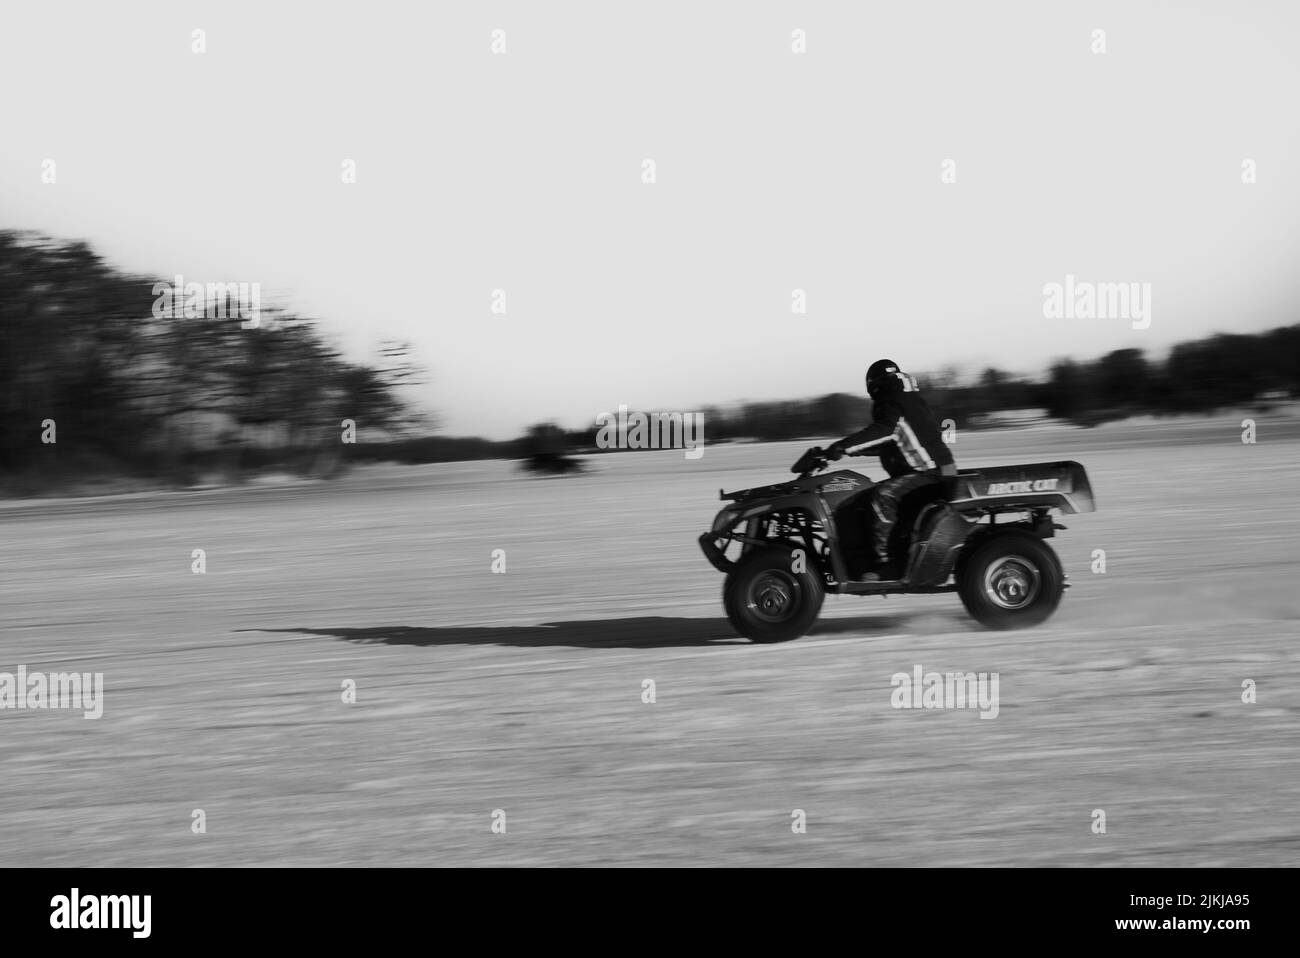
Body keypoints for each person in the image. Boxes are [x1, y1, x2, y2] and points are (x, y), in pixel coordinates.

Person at [825, 360, 957, 581]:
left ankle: (887, 566)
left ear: (873, 384)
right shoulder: (904, 398)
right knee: (859, 497)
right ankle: (863, 561)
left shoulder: (894, 400)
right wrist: (851, 451)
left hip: (931, 474)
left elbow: (885, 431)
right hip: (930, 471)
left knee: (882, 497)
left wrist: (841, 447)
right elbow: (898, 442)